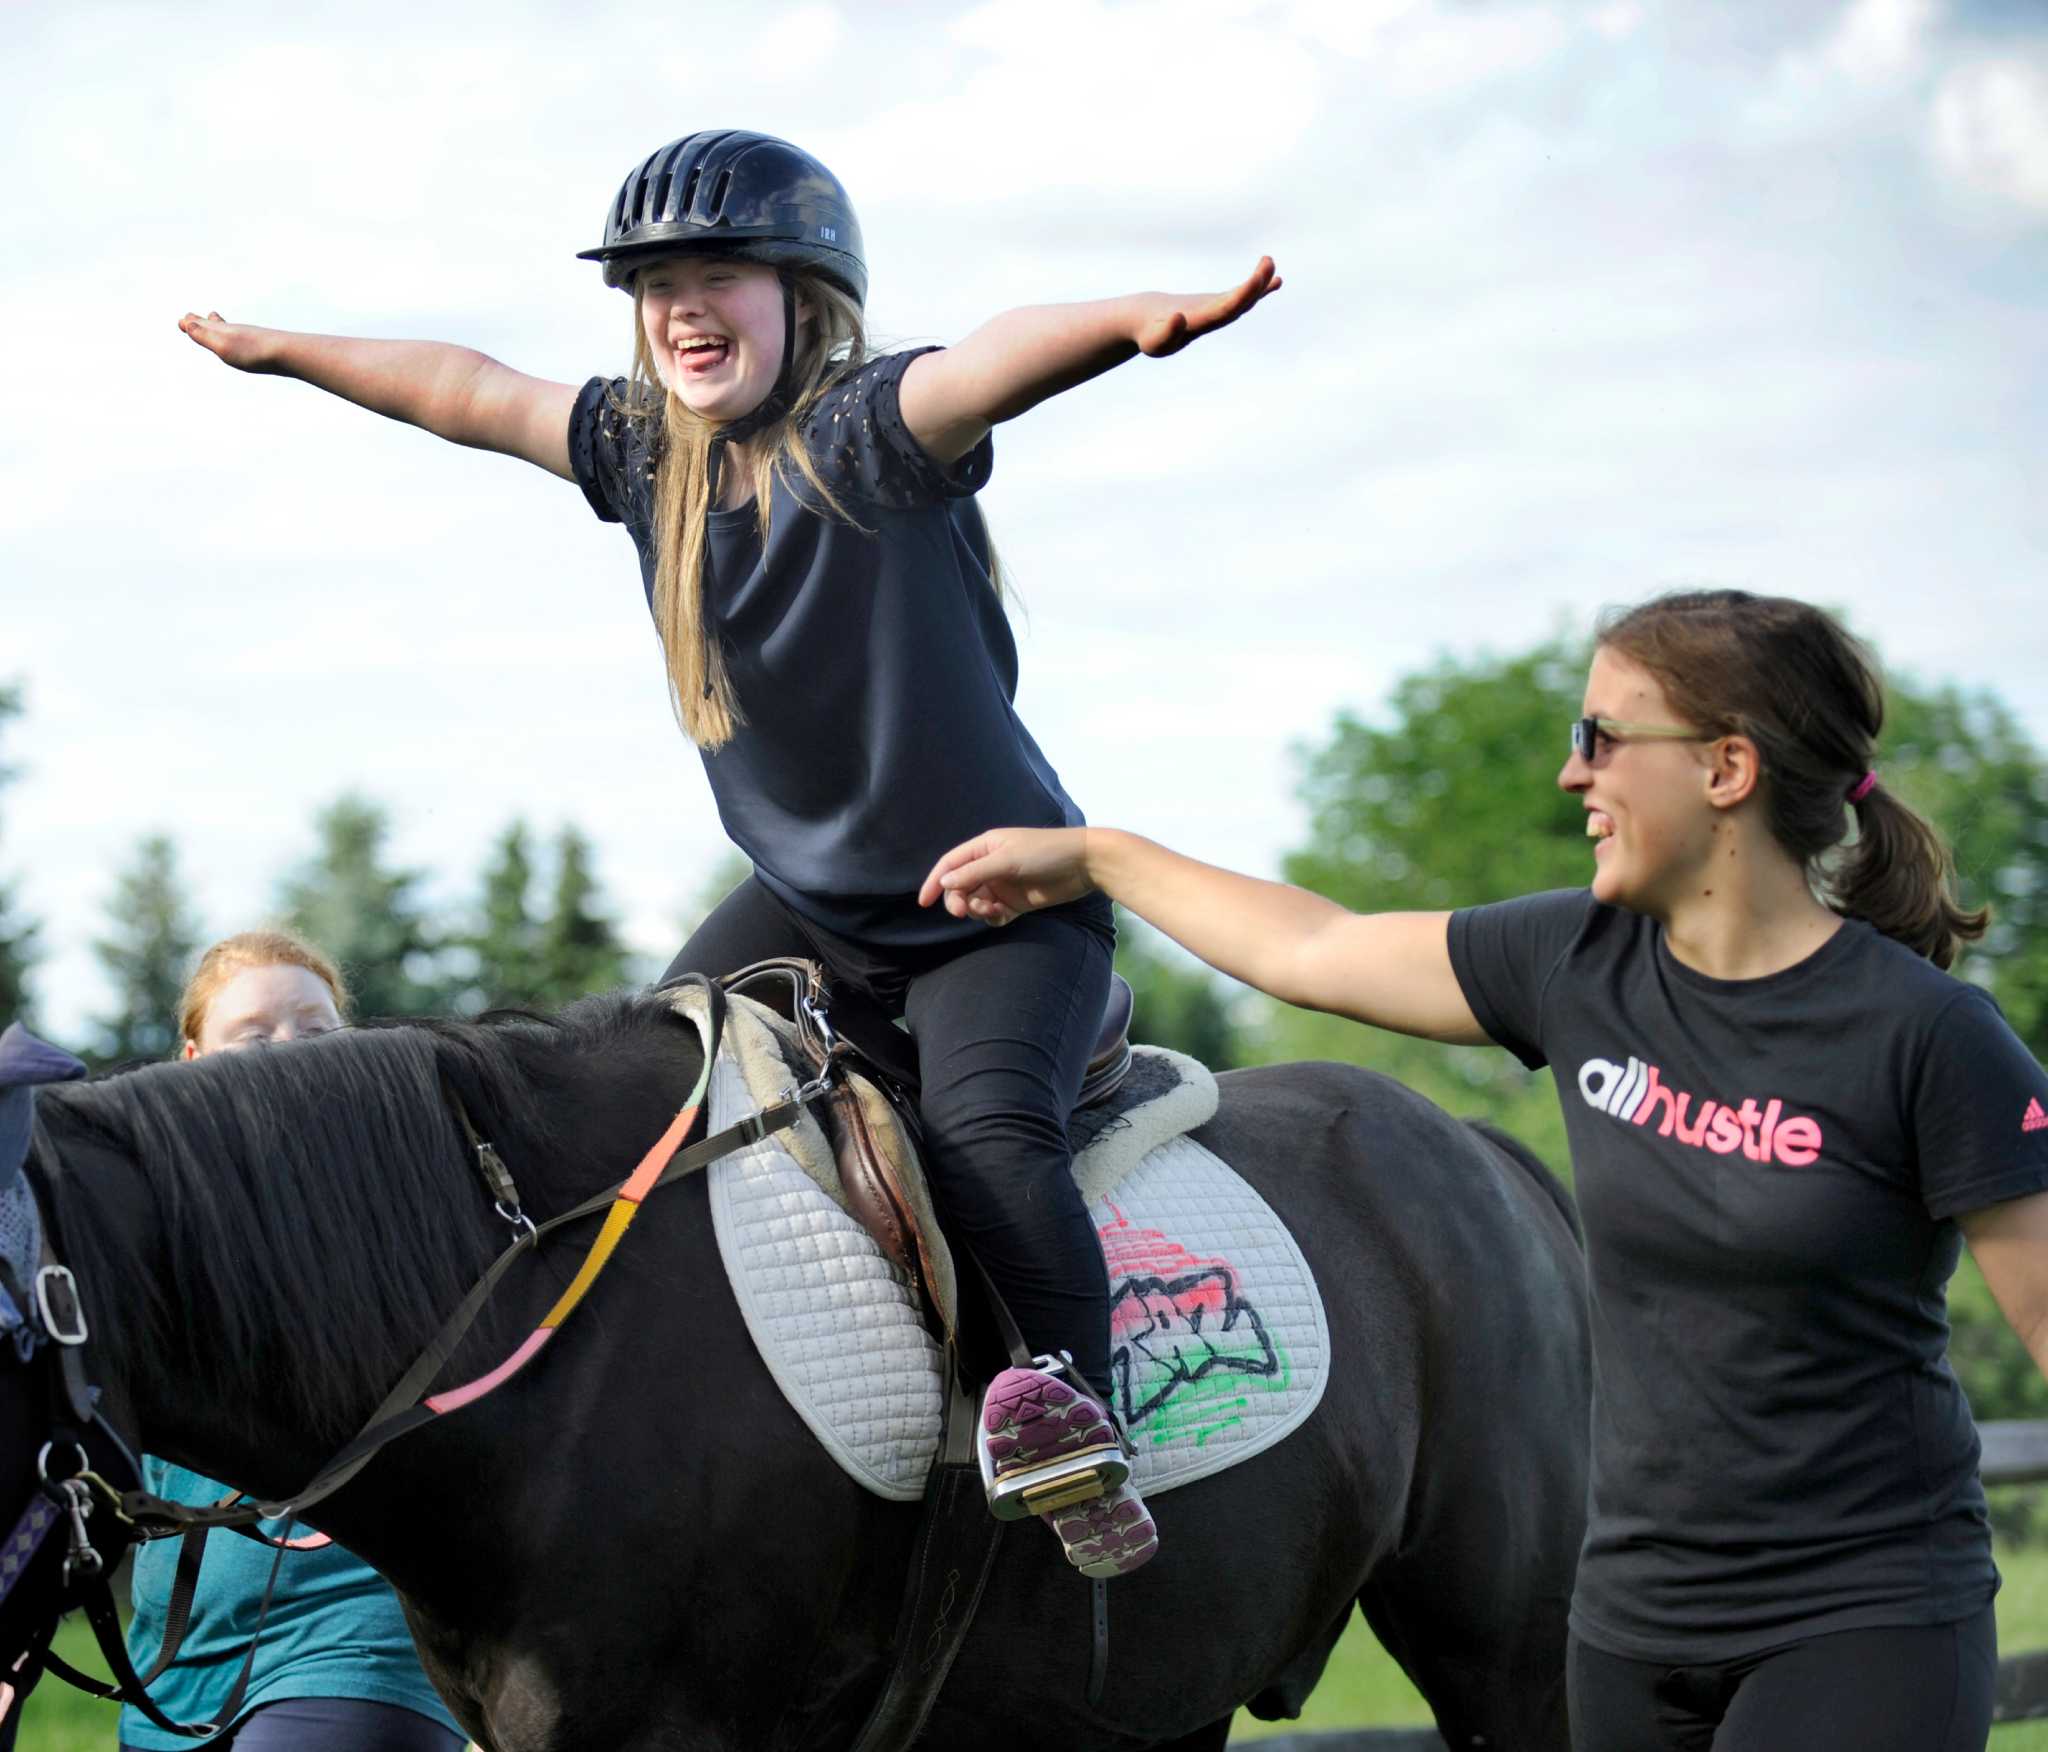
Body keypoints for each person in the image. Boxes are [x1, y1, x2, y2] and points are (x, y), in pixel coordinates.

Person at [175, 129, 1280, 1578]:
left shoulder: (872, 431)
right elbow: (466, 389)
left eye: (721, 279)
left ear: (806, 296)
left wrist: (1131, 329)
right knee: (619, 1093)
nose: (685, 311)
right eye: (655, 288)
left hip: (992, 913)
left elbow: (989, 361)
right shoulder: (644, 455)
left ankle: (1078, 1422)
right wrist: (281, 350)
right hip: (807, 908)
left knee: (985, 1142)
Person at [922, 587, 2048, 1752]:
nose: (1574, 775)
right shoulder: (1576, 962)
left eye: (1602, 737)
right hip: (1630, 1626)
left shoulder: (1927, 1039)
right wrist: (1100, 856)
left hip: (1863, 1622)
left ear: (1725, 768)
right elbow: (1311, 947)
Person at [121, 930, 467, 1752]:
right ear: (194, 1060)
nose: (289, 1056)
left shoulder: (423, 1215)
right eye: (254, 1035)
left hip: (361, 1643)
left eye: (316, 1033)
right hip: (172, 1670)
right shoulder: (138, 1232)